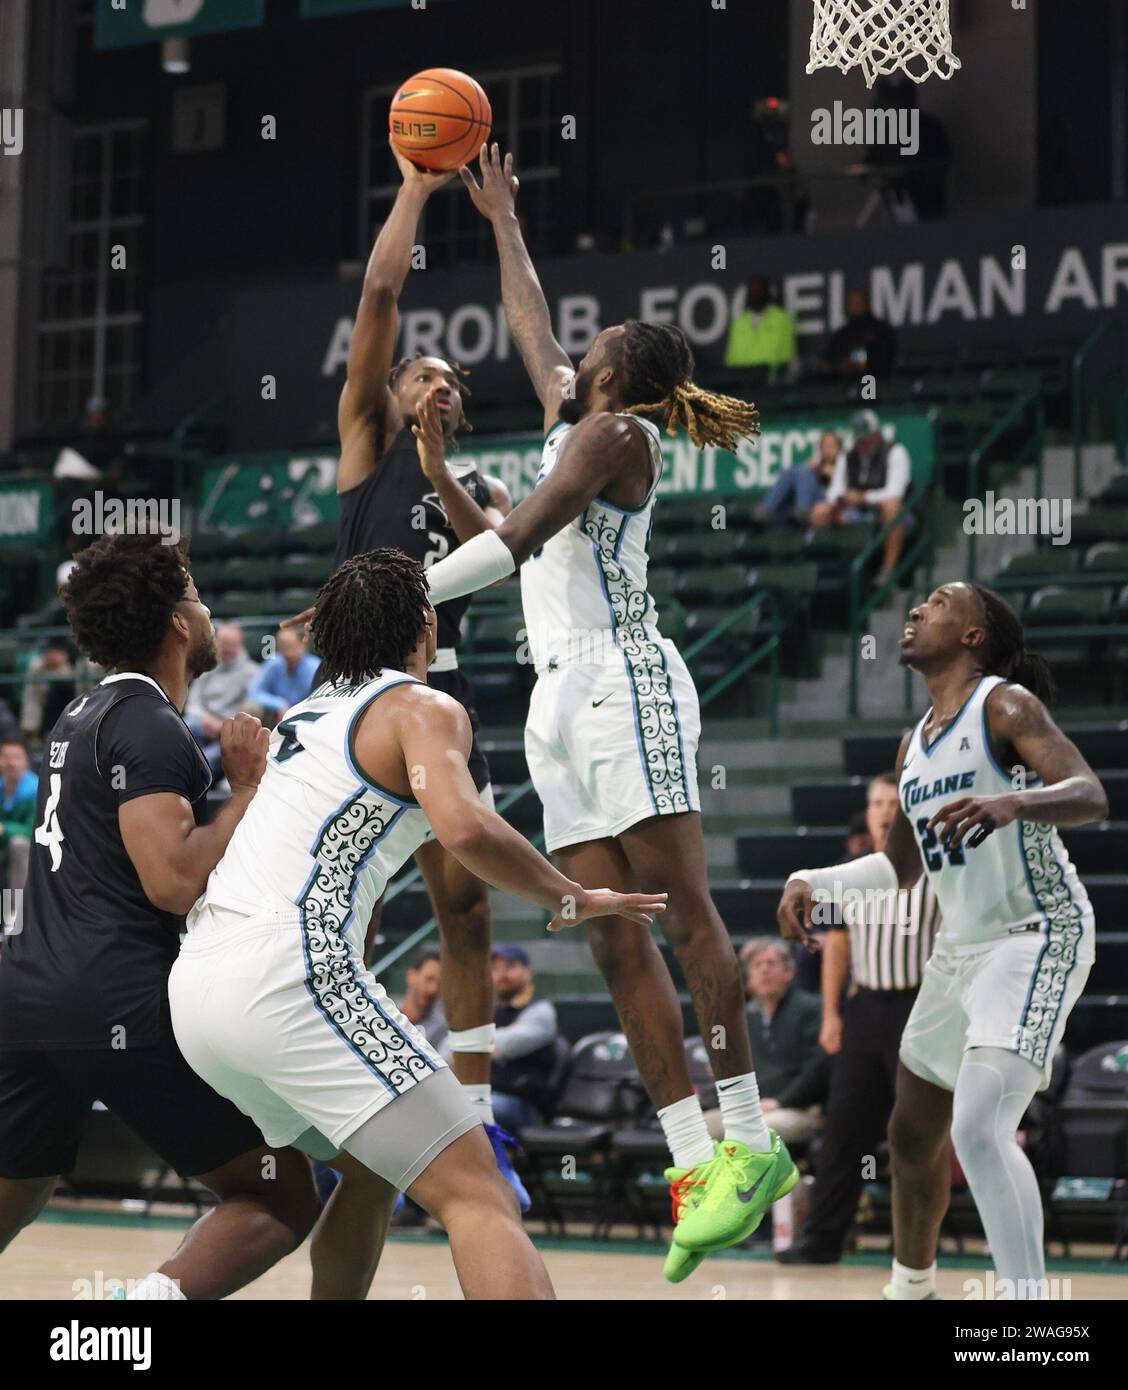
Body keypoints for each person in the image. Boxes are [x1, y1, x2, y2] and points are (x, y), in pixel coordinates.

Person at [423, 142, 799, 1284]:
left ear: (620, 371)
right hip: (557, 691)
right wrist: (501, 221)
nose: (574, 348)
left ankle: (749, 1142)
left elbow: (517, 538)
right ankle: (694, 1162)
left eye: (594, 346)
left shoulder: (612, 435)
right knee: (605, 922)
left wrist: (392, 593)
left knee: (682, 910)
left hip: (620, 675)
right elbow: (531, 322)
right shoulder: (566, 413)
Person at [168, 547, 668, 1300]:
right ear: (426, 627)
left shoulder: (305, 713)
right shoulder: (422, 707)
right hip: (284, 973)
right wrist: (571, 893)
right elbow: (465, 829)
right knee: (480, 1195)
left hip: (199, 990)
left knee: (373, 1169)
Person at [285, 138, 520, 1198]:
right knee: (344, 905)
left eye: (451, 380)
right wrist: (417, 188)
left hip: (442, 692)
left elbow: (499, 553)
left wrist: (439, 470)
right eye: (421, 370)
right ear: (392, 390)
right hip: (350, 696)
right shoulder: (363, 441)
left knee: (463, 908)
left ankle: (473, 1112)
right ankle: (324, 1098)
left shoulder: (473, 479)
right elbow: (382, 289)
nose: (437, 381)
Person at [0, 533, 321, 1300]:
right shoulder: (147, 723)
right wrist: (245, 789)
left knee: (20, 1188)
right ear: (178, 624)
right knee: (279, 1192)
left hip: (25, 995)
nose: (209, 611)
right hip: (115, 997)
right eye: (198, 595)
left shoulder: (78, 714)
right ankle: (129, 1321)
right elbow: (173, 879)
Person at [778, 582, 1105, 1299]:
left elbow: (1088, 792)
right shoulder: (914, 742)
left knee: (980, 1126)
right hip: (957, 950)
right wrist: (813, 879)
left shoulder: (1005, 706)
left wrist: (1013, 798)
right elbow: (897, 867)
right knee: (910, 1132)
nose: (916, 610)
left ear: (972, 634)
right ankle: (912, 1286)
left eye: (937, 601)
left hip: (1034, 934)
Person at [777, 772, 941, 1266]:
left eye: (894, 802)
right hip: (866, 1007)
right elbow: (838, 944)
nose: (886, 810)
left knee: (914, 1133)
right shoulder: (854, 872)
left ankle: (912, 1248)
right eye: (877, 803)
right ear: (867, 812)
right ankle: (823, 1239)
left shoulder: (935, 869)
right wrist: (830, 1012)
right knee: (844, 1127)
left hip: (922, 1005)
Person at [712, 938, 827, 1146]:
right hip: (754, 1107)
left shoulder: (812, 1009)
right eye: (757, 965)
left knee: (759, 1128)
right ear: (748, 980)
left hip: (802, 1107)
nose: (764, 970)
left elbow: (818, 1069)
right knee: (699, 1127)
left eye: (771, 963)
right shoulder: (743, 1018)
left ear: (789, 973)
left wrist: (781, 1101)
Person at [814, 410, 912, 583]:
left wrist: (864, 497)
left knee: (891, 507)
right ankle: (821, 573)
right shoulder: (848, 456)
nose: (862, 442)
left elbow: (895, 492)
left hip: (889, 513)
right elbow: (835, 490)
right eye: (859, 438)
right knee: (820, 510)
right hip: (856, 511)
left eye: (866, 438)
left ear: (876, 435)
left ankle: (887, 572)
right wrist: (838, 503)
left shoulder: (896, 452)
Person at [490, 945, 559, 1133]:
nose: (502, 975)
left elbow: (504, 1046)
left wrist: (471, 1042)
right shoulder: (491, 1010)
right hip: (487, 1095)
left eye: (510, 967)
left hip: (522, 1104)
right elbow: (449, 1048)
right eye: (496, 969)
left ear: (528, 972)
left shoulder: (542, 1011)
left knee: (472, 1110)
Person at [183, 622, 258, 777]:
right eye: (224, 644)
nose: (227, 649)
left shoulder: (252, 672)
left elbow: (250, 709)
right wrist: (205, 719)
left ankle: (195, 776)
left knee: (209, 757)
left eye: (232, 645)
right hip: (203, 723)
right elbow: (193, 702)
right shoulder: (207, 667)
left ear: (241, 645)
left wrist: (223, 726)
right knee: (184, 728)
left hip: (229, 730)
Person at [756, 430, 841, 530]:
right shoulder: (816, 465)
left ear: (838, 448)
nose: (827, 450)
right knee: (790, 472)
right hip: (809, 504)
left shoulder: (844, 464)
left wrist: (826, 472)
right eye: (824, 446)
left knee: (803, 472)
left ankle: (802, 509)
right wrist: (815, 470)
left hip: (829, 504)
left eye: (831, 446)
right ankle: (766, 509)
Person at [724, 276, 797, 383]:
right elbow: (730, 360)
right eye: (752, 290)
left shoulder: (782, 319)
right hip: (741, 386)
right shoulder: (739, 323)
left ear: (768, 292)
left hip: (771, 385)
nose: (756, 293)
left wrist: (776, 378)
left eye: (759, 290)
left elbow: (788, 356)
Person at [248, 627, 320, 728]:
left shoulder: (314, 667)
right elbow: (254, 693)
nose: (289, 653)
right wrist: (279, 704)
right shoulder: (273, 664)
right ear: (278, 648)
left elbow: (319, 701)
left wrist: (293, 711)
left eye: (292, 647)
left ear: (303, 645)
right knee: (251, 708)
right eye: (284, 647)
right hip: (276, 718)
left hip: (306, 717)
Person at [823, 288, 896, 380]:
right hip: (840, 383)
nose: (855, 307)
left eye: (858, 303)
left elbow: (883, 359)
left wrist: (855, 363)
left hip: (873, 383)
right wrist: (840, 365)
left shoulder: (880, 330)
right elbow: (828, 359)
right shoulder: (841, 334)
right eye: (852, 304)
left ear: (867, 304)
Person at [0, 742, 37, 893]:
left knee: (18, 844)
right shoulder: (1, 786)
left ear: (26, 763)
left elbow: (34, 829)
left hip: (30, 849)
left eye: (16, 757)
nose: (11, 763)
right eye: (5, 757)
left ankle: (15, 911)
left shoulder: (36, 790)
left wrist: (4, 828)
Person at [400, 947, 449, 1053]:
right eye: (429, 979)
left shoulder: (442, 1030)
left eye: (440, 984)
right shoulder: (387, 1013)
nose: (434, 989)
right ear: (411, 976)